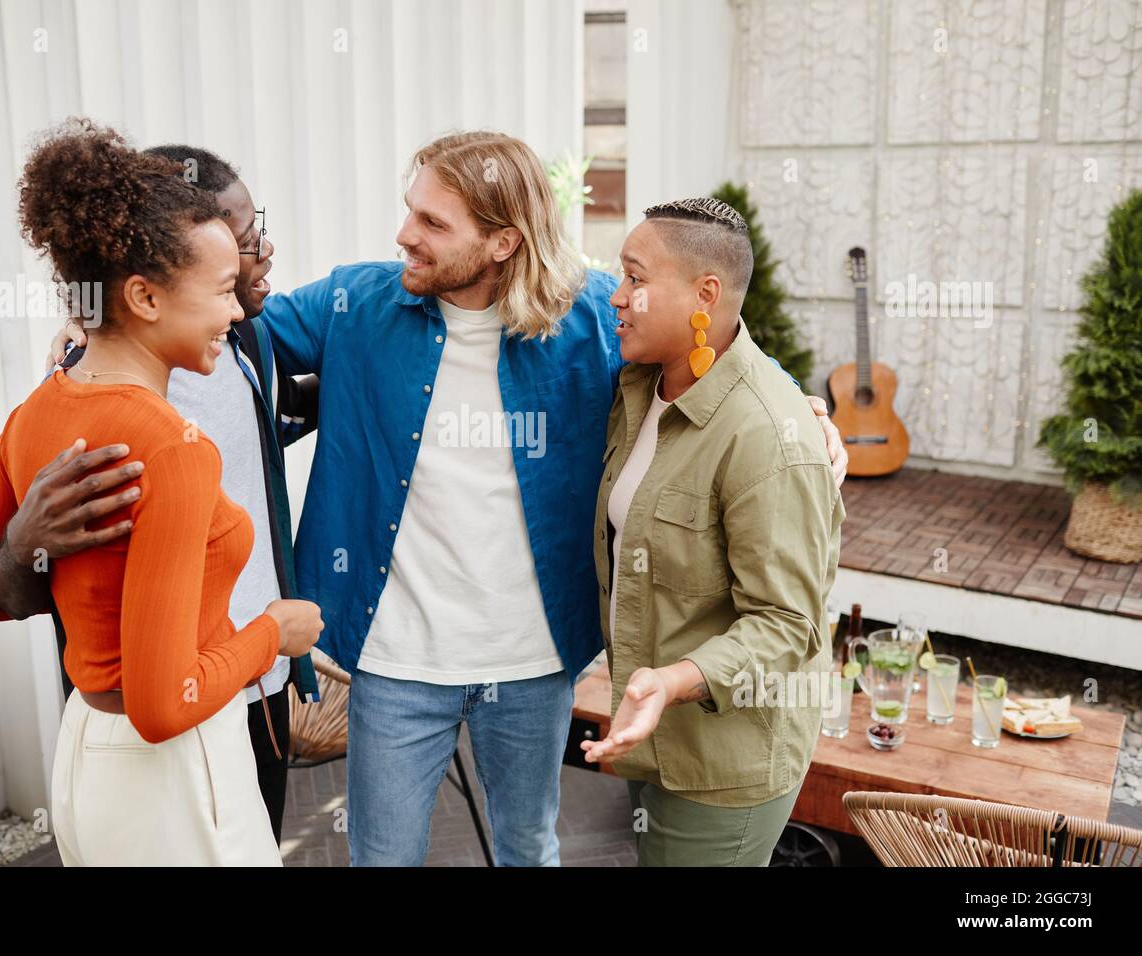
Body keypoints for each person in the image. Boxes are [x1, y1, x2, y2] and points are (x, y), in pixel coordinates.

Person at [48, 131, 847, 867]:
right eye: (409, 211)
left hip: (534, 661)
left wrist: (805, 414)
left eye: (432, 221)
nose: (404, 234)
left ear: (502, 241)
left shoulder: (592, 319)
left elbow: (706, 338)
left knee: (527, 846)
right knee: (382, 856)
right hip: (395, 662)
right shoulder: (357, 305)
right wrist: (95, 331)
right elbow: (218, 330)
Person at [0, 118, 322, 865]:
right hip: (175, 768)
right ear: (143, 297)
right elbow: (162, 703)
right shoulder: (173, 446)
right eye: (221, 291)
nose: (237, 312)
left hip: (85, 750)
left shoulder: (35, 414)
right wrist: (275, 630)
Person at [580, 197, 845, 866]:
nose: (617, 296)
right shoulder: (643, 386)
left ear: (706, 294)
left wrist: (674, 681)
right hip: (653, 731)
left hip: (725, 759)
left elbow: (788, 622)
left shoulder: (767, 438)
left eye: (637, 279)